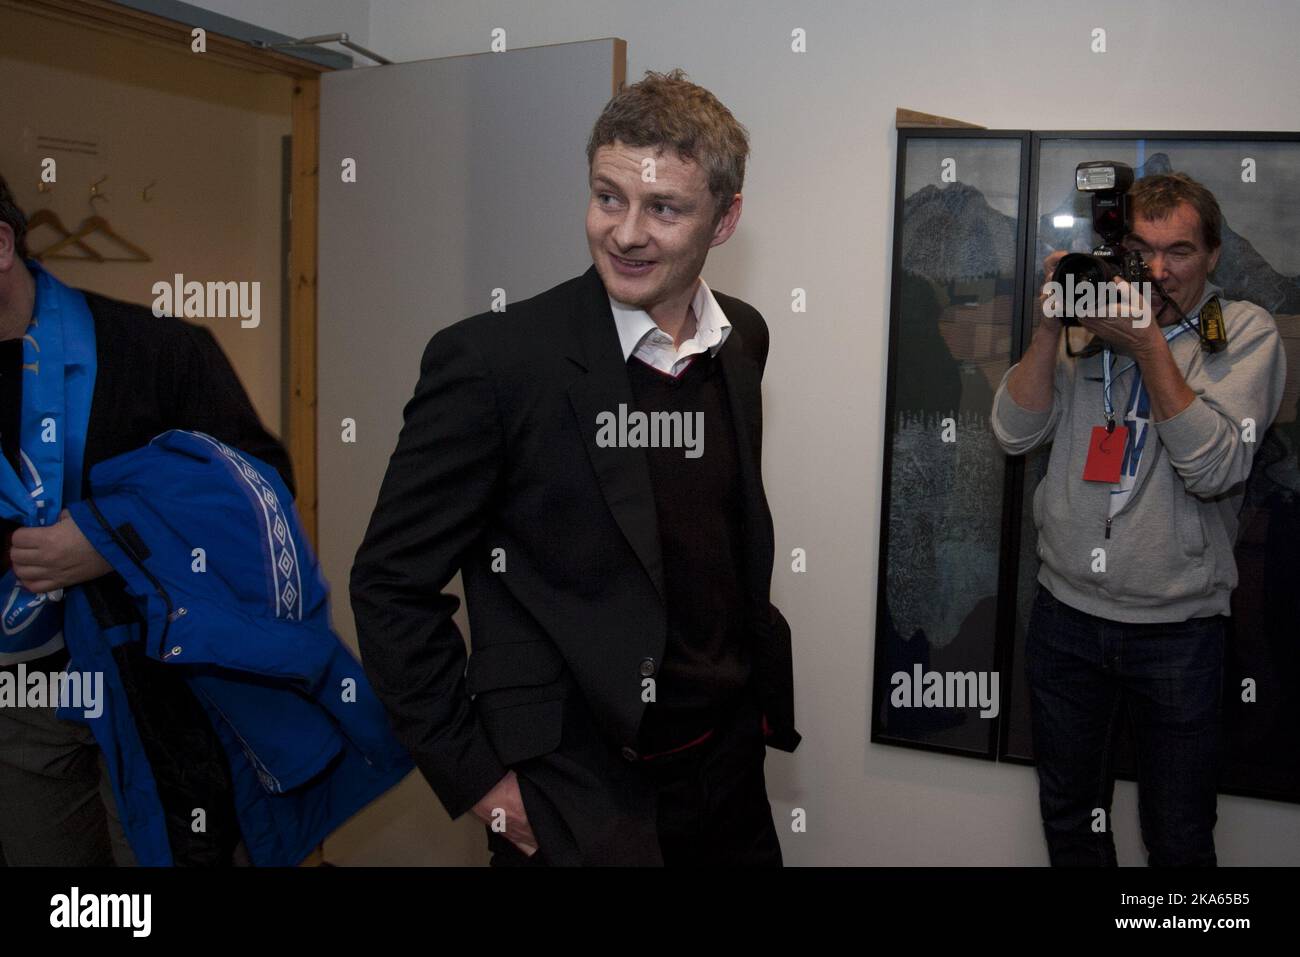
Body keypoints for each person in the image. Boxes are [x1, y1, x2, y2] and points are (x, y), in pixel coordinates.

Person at [350, 69, 800, 866]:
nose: (625, 233)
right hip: (576, 797)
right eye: (607, 197)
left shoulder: (745, 339)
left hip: (727, 775)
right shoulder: (494, 363)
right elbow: (389, 585)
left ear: (725, 219)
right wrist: (483, 782)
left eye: (663, 207)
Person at [992, 172, 1287, 866]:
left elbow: (1214, 466)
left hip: (1178, 631)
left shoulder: (1243, 332)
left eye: (1179, 251)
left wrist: (1149, 344)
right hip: (1066, 618)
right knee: (1070, 822)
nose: (1156, 271)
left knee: (1179, 836)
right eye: (1141, 250)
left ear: (1213, 253)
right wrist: (1047, 328)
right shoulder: (1085, 330)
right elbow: (1011, 433)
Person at [0, 172, 294, 865]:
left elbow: (258, 492)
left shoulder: (155, 350)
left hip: (151, 689)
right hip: (19, 707)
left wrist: (113, 540)